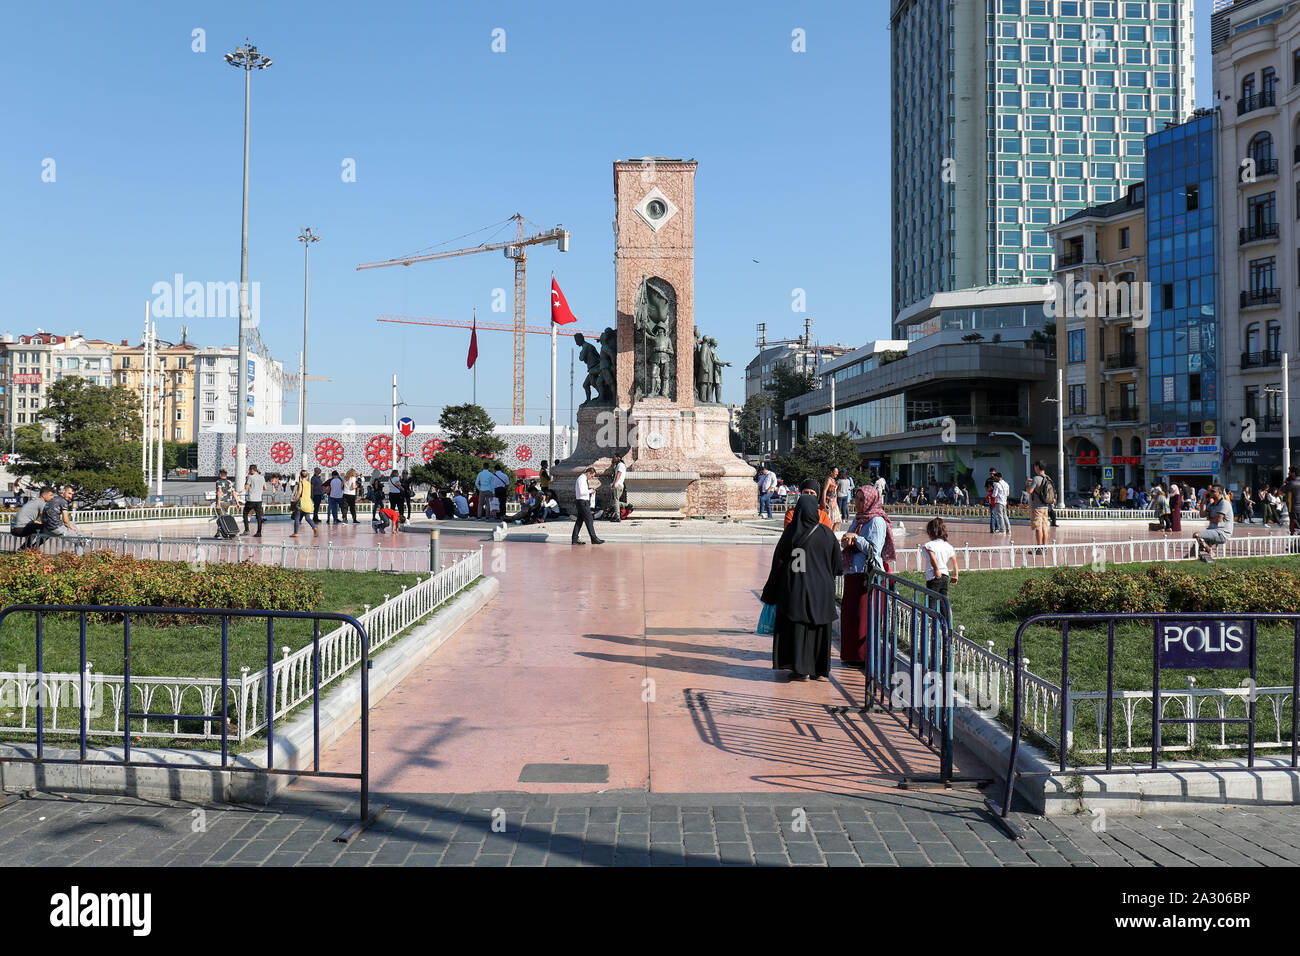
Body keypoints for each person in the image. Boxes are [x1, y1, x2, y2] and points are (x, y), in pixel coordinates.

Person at [761, 494, 841, 682]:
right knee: (819, 630)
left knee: (797, 630)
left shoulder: (790, 533)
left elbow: (778, 563)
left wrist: (771, 592)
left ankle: (799, 669)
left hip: (795, 589)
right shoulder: (827, 533)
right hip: (822, 590)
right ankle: (819, 670)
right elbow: (837, 565)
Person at [838, 486, 896, 668]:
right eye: (856, 499)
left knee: (863, 617)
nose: (858, 503)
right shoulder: (859, 519)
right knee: (850, 616)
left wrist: (856, 538)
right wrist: (847, 539)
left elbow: (874, 550)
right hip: (853, 572)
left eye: (862, 500)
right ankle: (850, 654)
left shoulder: (877, 521)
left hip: (865, 574)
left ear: (871, 501)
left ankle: (862, 656)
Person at [921, 517, 959, 604]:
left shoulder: (929, 545)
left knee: (932, 601)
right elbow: (954, 561)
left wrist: (936, 570)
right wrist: (956, 575)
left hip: (933, 576)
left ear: (930, 532)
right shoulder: (948, 546)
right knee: (943, 601)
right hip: (945, 576)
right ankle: (945, 617)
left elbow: (932, 557)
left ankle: (931, 617)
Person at [1191, 484, 1233, 562]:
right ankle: (1194, 560)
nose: (1210, 493)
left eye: (1213, 491)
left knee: (1196, 535)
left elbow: (1218, 519)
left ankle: (1210, 551)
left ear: (1220, 493)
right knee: (1195, 547)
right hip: (1213, 531)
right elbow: (1202, 514)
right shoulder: (1211, 505)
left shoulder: (1224, 503)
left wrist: (1209, 518)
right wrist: (1204, 499)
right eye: (1210, 491)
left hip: (1222, 532)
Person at [43, 485, 85, 556]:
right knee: (80, 540)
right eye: (69, 493)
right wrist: (71, 528)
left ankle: (79, 534)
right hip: (55, 528)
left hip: (46, 528)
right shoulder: (63, 501)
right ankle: (79, 558)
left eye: (72, 494)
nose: (70, 496)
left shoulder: (53, 499)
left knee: (72, 523)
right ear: (63, 492)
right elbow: (65, 520)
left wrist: (71, 526)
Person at [571, 466, 605, 545]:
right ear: (588, 473)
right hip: (582, 502)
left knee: (579, 521)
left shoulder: (582, 478)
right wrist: (591, 491)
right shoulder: (582, 479)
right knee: (589, 520)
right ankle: (594, 538)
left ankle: (574, 539)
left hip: (581, 502)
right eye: (592, 476)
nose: (592, 478)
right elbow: (582, 492)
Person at [1025, 460, 1054, 550]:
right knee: (1044, 527)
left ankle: (1039, 548)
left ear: (1037, 467)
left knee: (1038, 528)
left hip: (1037, 507)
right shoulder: (1048, 478)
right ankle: (1044, 547)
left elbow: (1030, 491)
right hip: (1046, 506)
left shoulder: (1036, 478)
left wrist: (1027, 485)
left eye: (1035, 466)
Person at [290, 469, 319, 537]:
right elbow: (311, 494)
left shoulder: (301, 483)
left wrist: (295, 499)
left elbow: (299, 492)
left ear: (300, 475)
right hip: (308, 502)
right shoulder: (309, 483)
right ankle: (314, 527)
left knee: (297, 518)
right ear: (307, 476)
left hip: (301, 502)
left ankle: (296, 533)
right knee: (307, 518)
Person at [213, 468, 240, 538]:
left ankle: (222, 532)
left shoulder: (218, 482)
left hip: (221, 502)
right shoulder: (229, 482)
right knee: (224, 517)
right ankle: (219, 532)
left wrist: (218, 503)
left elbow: (219, 492)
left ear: (220, 474)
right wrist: (237, 502)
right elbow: (233, 492)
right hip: (228, 502)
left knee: (220, 518)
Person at [242, 464, 266, 537]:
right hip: (259, 499)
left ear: (252, 470)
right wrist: (259, 491)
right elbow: (265, 488)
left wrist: (247, 479)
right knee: (259, 516)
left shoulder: (250, 477)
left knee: (245, 513)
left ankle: (247, 530)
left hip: (251, 499)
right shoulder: (262, 478)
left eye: (249, 470)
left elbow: (246, 487)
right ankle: (259, 532)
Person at [608, 453, 628, 521]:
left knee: (616, 500)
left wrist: (615, 483)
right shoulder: (617, 465)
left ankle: (617, 517)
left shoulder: (621, 465)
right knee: (613, 502)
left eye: (614, 457)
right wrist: (612, 464)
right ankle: (626, 505)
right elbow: (612, 473)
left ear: (618, 458)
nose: (613, 458)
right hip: (616, 484)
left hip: (618, 484)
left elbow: (619, 474)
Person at [992, 470, 1011, 535]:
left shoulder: (997, 484)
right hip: (1004, 502)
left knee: (1000, 516)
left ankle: (1002, 530)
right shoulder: (1006, 484)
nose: (994, 478)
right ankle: (1008, 529)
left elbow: (994, 495)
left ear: (997, 477)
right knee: (1005, 515)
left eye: (995, 477)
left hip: (999, 501)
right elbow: (1008, 494)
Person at [1286, 469, 1300, 535]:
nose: (1289, 474)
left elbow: (1280, 491)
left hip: (1293, 507)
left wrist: (1286, 481)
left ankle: (1294, 541)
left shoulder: (1291, 483)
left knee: (1294, 526)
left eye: (1289, 473)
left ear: (1293, 473)